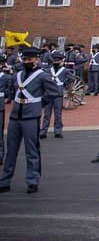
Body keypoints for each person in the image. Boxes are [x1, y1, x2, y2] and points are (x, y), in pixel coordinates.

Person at [1, 47, 63, 193]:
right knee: (11, 151)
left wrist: (39, 104)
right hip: (15, 116)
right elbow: (12, 92)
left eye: (30, 59)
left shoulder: (42, 75)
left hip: (31, 117)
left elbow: (54, 92)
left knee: (32, 150)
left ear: (37, 60)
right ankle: (5, 181)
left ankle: (32, 180)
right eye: (25, 59)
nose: (27, 62)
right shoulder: (17, 75)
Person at [40, 50, 73, 139]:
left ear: (61, 61)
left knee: (58, 114)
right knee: (47, 114)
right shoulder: (47, 71)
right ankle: (43, 131)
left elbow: (71, 78)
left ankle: (58, 131)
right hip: (48, 94)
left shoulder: (64, 70)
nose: (56, 62)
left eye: (58, 60)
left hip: (58, 94)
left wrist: (63, 84)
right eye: (54, 60)